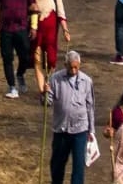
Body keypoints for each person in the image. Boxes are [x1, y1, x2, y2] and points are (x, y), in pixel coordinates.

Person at [47, 51, 95, 184]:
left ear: (79, 65)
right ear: (65, 65)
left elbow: (90, 106)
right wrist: (44, 93)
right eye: (70, 67)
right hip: (61, 129)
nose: (73, 70)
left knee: (79, 166)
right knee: (57, 165)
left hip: (80, 130)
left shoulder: (86, 81)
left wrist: (91, 131)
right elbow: (47, 102)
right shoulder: (55, 78)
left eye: (76, 67)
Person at [31, 0, 69, 93]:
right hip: (36, 34)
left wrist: (65, 30)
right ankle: (42, 90)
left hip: (51, 35)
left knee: (51, 61)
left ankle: (48, 82)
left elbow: (61, 14)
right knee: (36, 61)